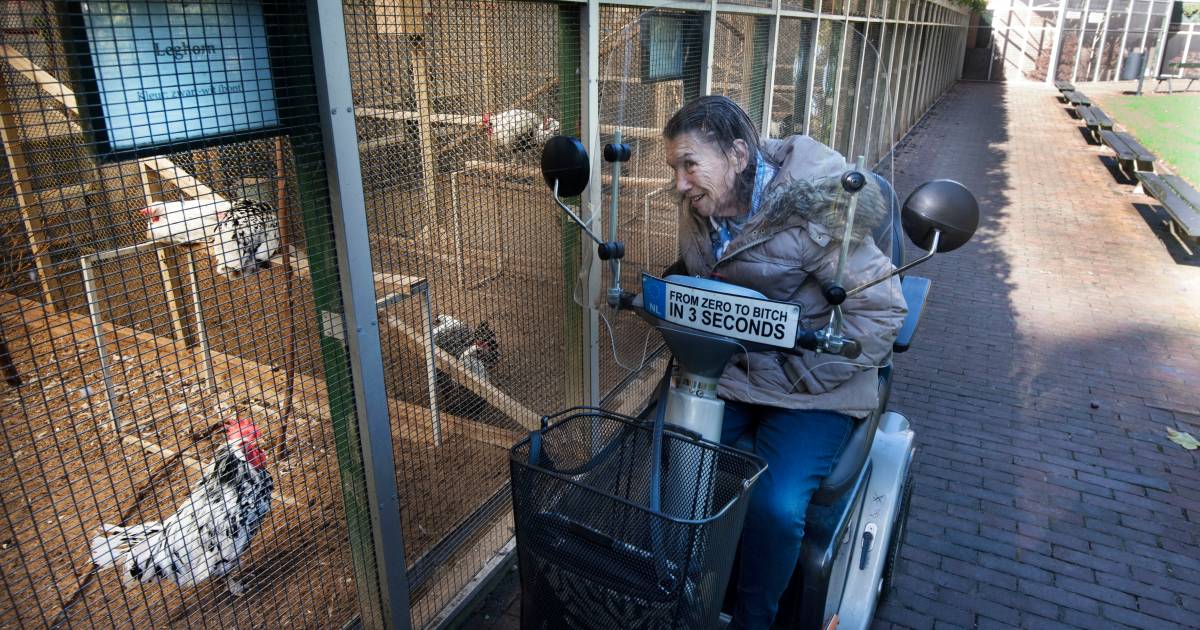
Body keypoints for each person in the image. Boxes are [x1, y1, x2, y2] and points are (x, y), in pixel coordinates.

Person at [661, 95, 907, 629]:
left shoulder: (816, 210)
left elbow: (882, 313)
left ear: (739, 156)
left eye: (689, 165)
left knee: (776, 503)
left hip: (813, 388)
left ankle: (755, 619)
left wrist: (800, 371)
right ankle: (684, 597)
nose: (679, 183)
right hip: (730, 374)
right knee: (678, 468)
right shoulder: (701, 211)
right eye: (674, 168)